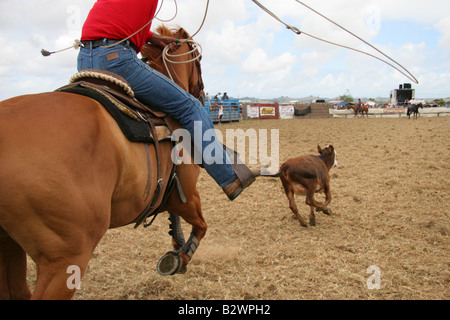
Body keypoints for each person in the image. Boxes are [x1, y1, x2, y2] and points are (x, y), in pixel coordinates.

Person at [78, 0, 253, 200]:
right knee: (191, 107)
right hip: (116, 59)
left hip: (84, 58)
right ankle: (228, 177)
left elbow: (117, 25)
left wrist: (154, 39)